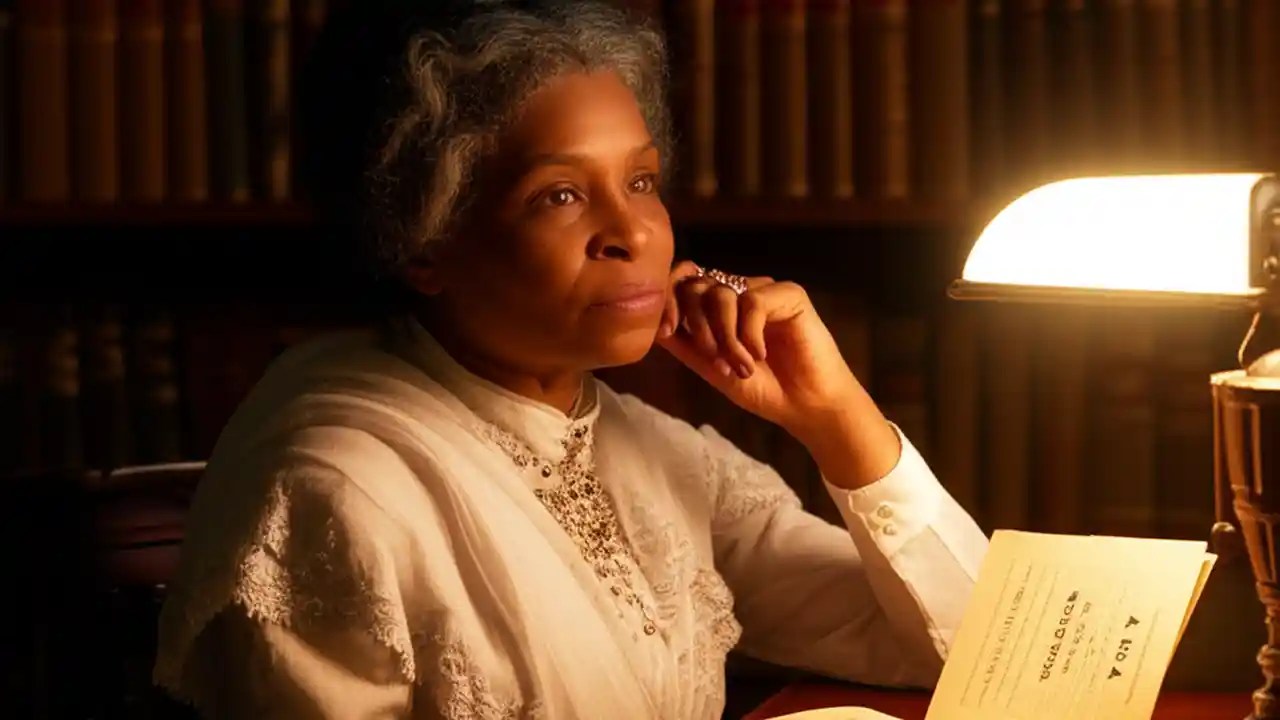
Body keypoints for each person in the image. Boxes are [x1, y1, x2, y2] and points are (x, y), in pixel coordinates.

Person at [153, 1, 988, 718]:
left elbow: (967, 652)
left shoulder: (640, 443)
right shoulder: (333, 488)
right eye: (560, 194)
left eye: (642, 182)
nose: (632, 236)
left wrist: (835, 415)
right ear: (422, 239)